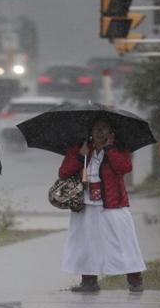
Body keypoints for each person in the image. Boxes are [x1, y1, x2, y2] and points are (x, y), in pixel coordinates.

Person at [59, 116, 146, 292]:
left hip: (112, 203)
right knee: (86, 242)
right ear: (90, 132)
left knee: (122, 241)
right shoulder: (81, 148)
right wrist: (78, 156)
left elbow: (124, 168)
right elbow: (63, 173)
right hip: (86, 203)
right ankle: (89, 280)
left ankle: (134, 278)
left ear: (111, 132)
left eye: (104, 129)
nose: (100, 133)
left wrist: (110, 149)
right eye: (96, 129)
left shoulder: (118, 149)